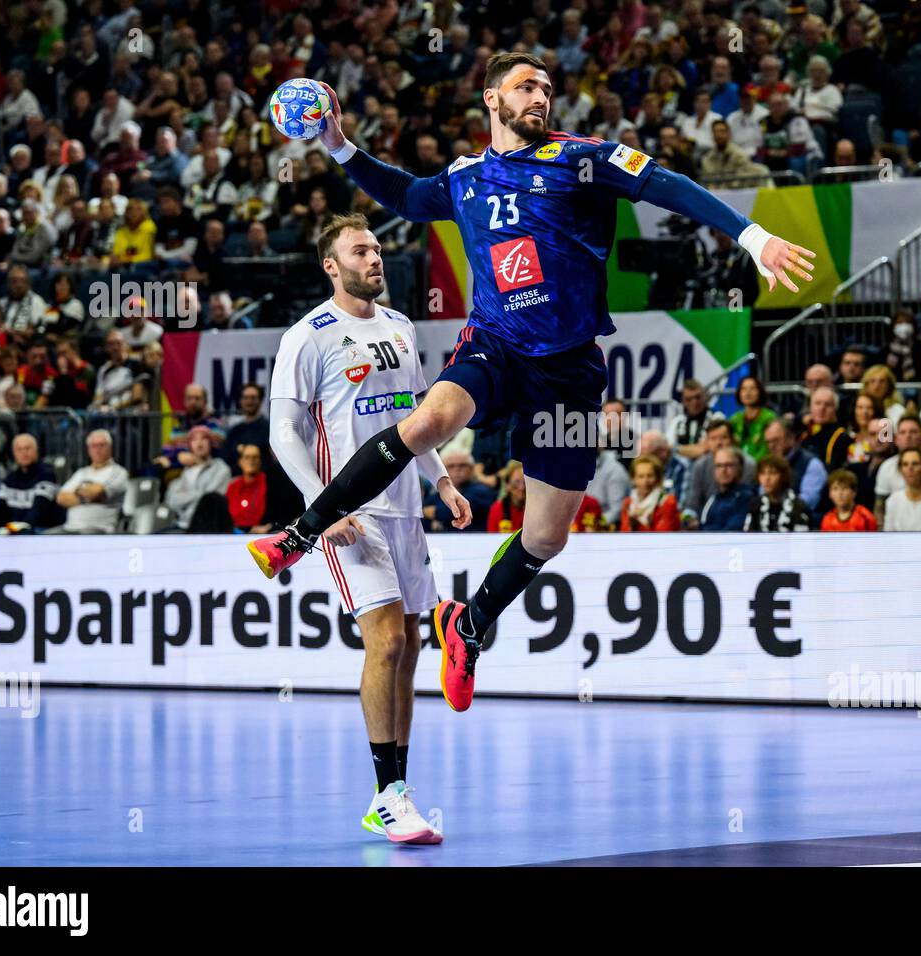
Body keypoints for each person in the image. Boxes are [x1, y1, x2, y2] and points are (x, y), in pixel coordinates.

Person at [250, 56, 814, 713]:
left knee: (547, 535)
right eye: (526, 86)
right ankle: (299, 535)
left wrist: (753, 236)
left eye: (547, 87)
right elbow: (406, 196)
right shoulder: (465, 177)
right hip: (494, 344)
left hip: (569, 368)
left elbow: (668, 186)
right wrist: (337, 145)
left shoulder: (583, 158)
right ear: (491, 97)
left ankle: (468, 624)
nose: (541, 96)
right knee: (427, 423)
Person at [259, 215, 469, 844]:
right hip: (353, 517)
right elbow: (282, 432)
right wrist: (322, 507)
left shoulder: (402, 327)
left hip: (405, 508)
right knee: (383, 643)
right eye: (360, 250)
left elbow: (417, 420)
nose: (375, 257)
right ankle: (388, 793)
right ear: (332, 265)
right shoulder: (307, 336)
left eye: (377, 247)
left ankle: (396, 790)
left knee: (408, 644)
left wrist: (441, 480)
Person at [0, 433, 64, 533]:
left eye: (28, 448)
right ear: (14, 454)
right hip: (17, 530)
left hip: (41, 530)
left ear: (36, 451)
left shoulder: (47, 475)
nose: (24, 453)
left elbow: (38, 510)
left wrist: (16, 530)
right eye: (19, 449)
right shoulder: (10, 479)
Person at [51, 429, 130, 534]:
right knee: (45, 538)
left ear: (110, 447)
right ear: (89, 449)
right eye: (94, 446)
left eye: (101, 445)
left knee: (85, 536)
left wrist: (76, 492)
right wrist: (88, 496)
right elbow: (61, 498)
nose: (97, 449)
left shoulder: (119, 472)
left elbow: (96, 492)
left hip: (99, 529)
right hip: (69, 528)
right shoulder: (81, 472)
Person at [164, 425, 232, 529]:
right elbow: (172, 501)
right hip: (180, 525)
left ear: (211, 443)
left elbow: (210, 500)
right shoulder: (186, 471)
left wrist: (185, 495)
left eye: (204, 439)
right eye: (194, 440)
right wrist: (200, 494)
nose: (199, 444)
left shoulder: (221, 469)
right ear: (190, 445)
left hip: (207, 527)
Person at [664, 377, 725, 460]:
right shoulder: (678, 421)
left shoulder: (717, 417)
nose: (694, 402)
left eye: (697, 397)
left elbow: (706, 448)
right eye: (689, 399)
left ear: (705, 396)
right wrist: (696, 449)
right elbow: (668, 447)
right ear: (683, 401)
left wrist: (677, 449)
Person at [744, 455, 809, 531]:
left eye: (773, 473)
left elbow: (802, 539)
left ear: (784, 476)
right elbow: (748, 535)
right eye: (762, 473)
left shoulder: (798, 506)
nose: (767, 478)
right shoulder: (756, 505)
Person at [698, 446, 756, 531]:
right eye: (719, 465)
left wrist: (700, 528)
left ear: (740, 468)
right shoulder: (714, 498)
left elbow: (732, 531)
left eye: (728, 465)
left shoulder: (747, 497)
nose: (723, 470)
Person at [620, 454, 680, 531]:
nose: (645, 481)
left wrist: (637, 523)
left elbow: (662, 538)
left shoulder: (667, 502)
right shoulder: (628, 503)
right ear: (633, 479)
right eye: (640, 476)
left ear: (658, 478)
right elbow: (623, 536)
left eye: (650, 476)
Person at [727, 374, 777, 462]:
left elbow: (771, 449)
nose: (747, 392)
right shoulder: (734, 419)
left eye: (752, 388)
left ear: (760, 392)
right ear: (739, 393)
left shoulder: (769, 418)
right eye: (743, 389)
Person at [226, 443, 269, 532]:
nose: (251, 461)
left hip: (260, 532)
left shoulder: (269, 483)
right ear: (240, 462)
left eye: (255, 457)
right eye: (247, 457)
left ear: (260, 461)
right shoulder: (233, 486)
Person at [487, 461, 527, 533]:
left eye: (526, 482)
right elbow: (491, 538)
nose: (522, 487)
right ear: (507, 484)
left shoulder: (537, 509)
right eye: (516, 482)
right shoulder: (497, 508)